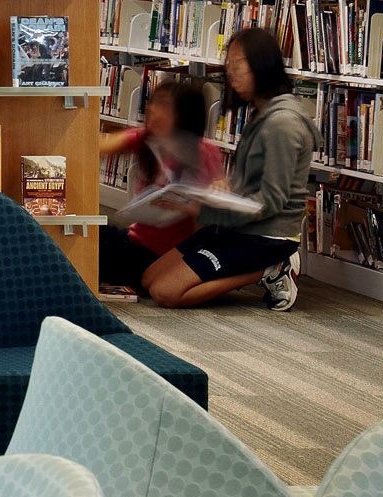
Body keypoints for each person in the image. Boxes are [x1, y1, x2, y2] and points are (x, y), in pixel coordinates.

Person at [145, 26, 315, 312]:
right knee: (149, 278)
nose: (230, 72)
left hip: (267, 235)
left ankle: (270, 269)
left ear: (262, 64)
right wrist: (223, 189)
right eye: (228, 64)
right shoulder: (262, 112)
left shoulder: (282, 122)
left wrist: (204, 210)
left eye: (238, 64)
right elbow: (254, 184)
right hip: (238, 226)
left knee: (166, 293)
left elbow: (271, 202)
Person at [96, 76, 223, 298]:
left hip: (166, 254)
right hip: (136, 238)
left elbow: (208, 221)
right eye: (153, 102)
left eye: (163, 105)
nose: (152, 109)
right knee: (86, 232)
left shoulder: (203, 153)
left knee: (99, 254)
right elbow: (100, 146)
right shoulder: (147, 139)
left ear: (183, 115)